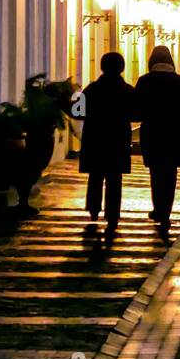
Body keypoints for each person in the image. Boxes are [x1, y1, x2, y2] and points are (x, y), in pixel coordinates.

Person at [134, 44, 180, 243]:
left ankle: (158, 209)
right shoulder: (179, 82)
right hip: (173, 135)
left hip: (152, 134)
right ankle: (166, 213)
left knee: (155, 173)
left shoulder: (145, 81)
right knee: (170, 175)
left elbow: (136, 110)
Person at [79, 52, 136, 242]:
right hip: (117, 139)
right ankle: (113, 215)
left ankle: (93, 210)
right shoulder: (127, 90)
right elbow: (137, 113)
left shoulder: (92, 89)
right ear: (122, 68)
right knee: (114, 178)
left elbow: (77, 112)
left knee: (95, 176)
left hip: (95, 138)